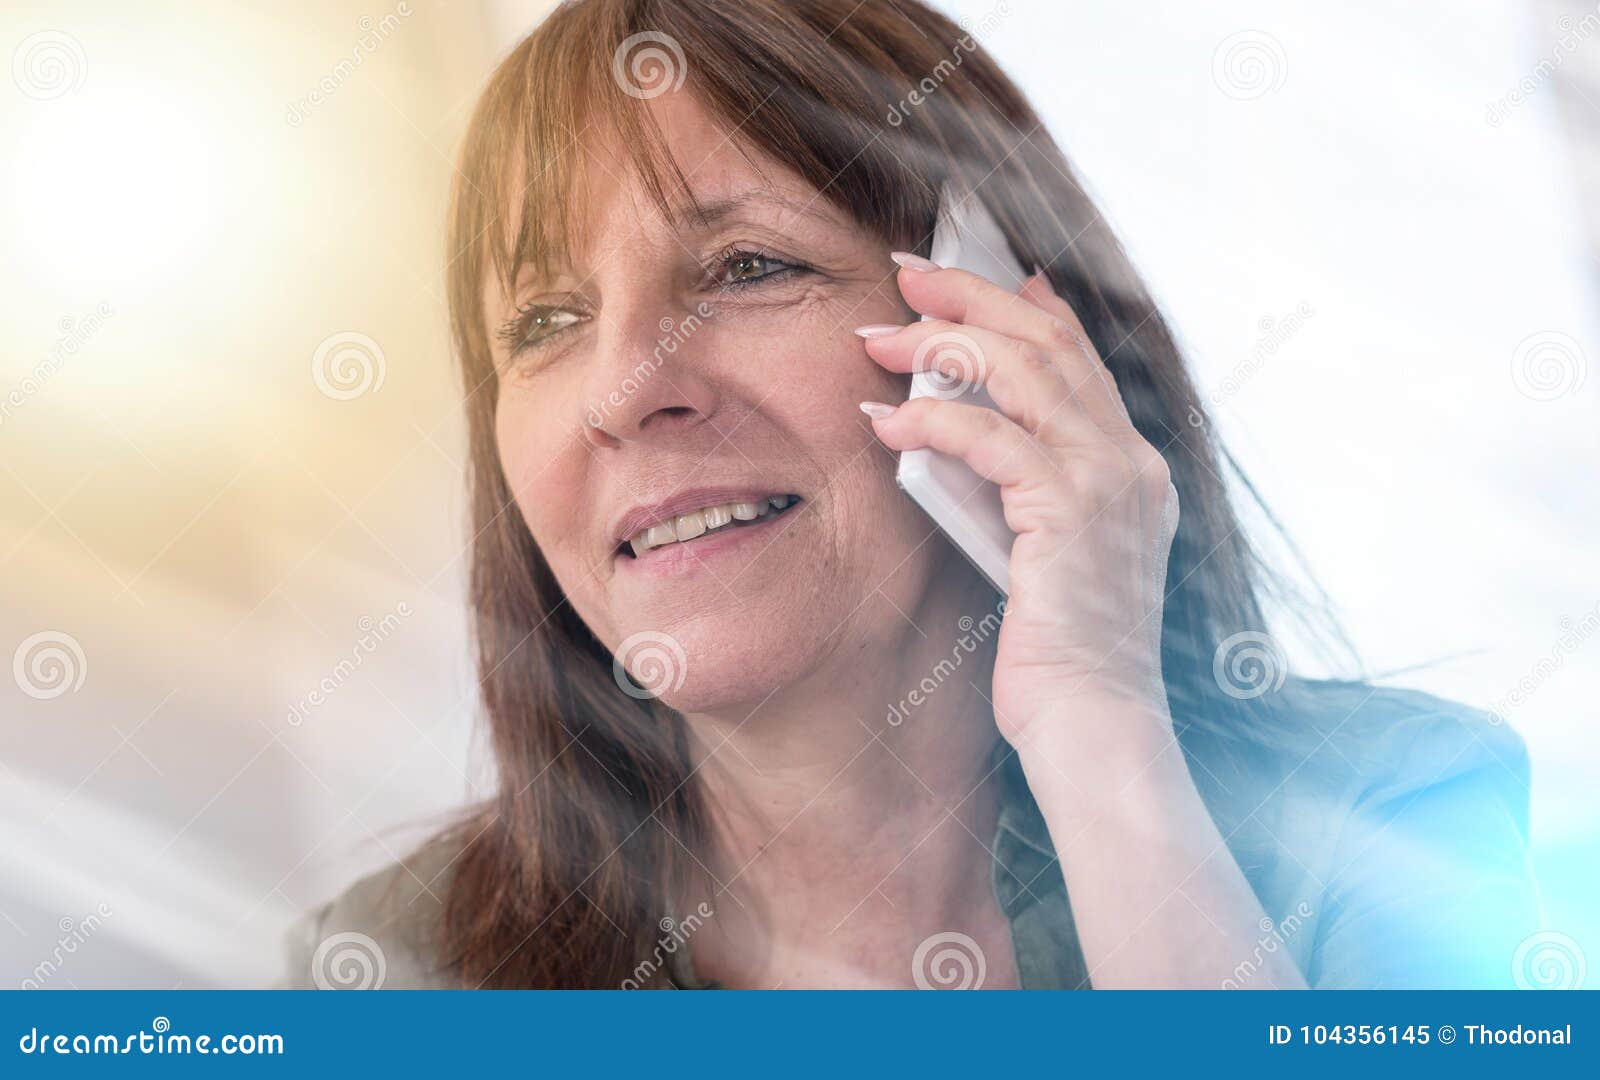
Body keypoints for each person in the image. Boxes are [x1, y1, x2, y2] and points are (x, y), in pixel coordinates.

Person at [283, 0, 1538, 990]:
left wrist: (1097, 724)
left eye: (749, 265)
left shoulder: (1391, 823)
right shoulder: (397, 975)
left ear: (999, 330)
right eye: (546, 320)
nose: (621, 392)